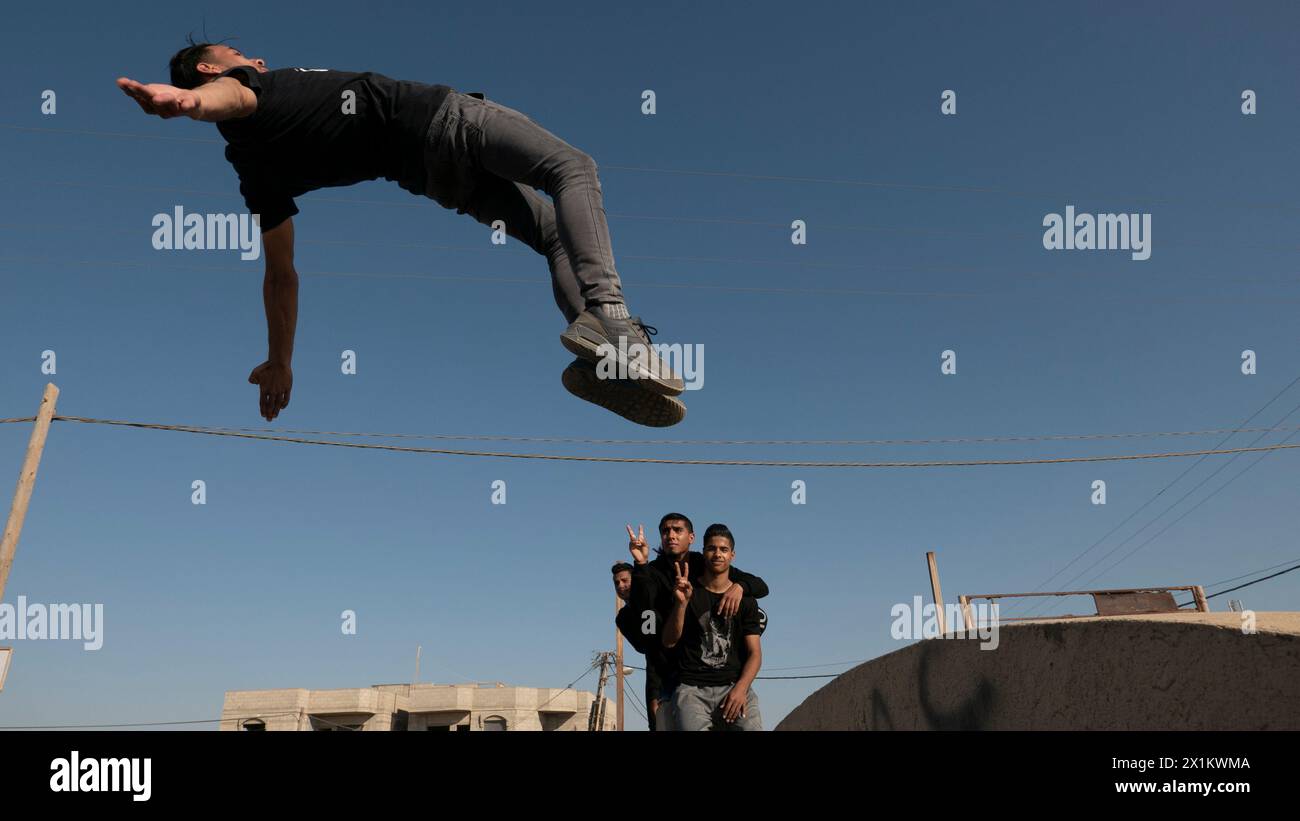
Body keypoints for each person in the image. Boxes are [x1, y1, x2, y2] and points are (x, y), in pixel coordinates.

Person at [116, 39, 685, 426]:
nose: (256, 58)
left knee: (556, 236)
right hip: (445, 122)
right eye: (238, 54)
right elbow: (230, 95)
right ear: (213, 69)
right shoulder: (244, 90)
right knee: (573, 168)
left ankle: (595, 357)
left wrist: (280, 360)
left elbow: (281, 275)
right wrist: (190, 101)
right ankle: (612, 321)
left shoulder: (252, 169)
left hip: (436, 179)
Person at [625, 514, 768, 729]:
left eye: (677, 530)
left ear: (691, 537)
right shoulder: (652, 571)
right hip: (671, 671)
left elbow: (760, 585)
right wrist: (641, 563)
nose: (671, 535)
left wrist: (740, 587)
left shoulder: (706, 561)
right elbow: (645, 613)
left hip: (720, 674)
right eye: (665, 531)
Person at [662, 523, 763, 731]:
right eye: (712, 548)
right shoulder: (687, 591)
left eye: (723, 549)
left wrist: (741, 688)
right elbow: (669, 641)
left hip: (733, 686)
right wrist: (681, 604)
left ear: (732, 555)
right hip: (692, 689)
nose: (718, 554)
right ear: (704, 552)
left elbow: (755, 653)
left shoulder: (746, 601)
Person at [611, 562, 665, 731]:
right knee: (656, 724)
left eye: (625, 580)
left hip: (684, 670)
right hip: (655, 674)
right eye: (617, 583)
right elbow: (643, 646)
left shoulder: (659, 599)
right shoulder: (623, 618)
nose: (621, 586)